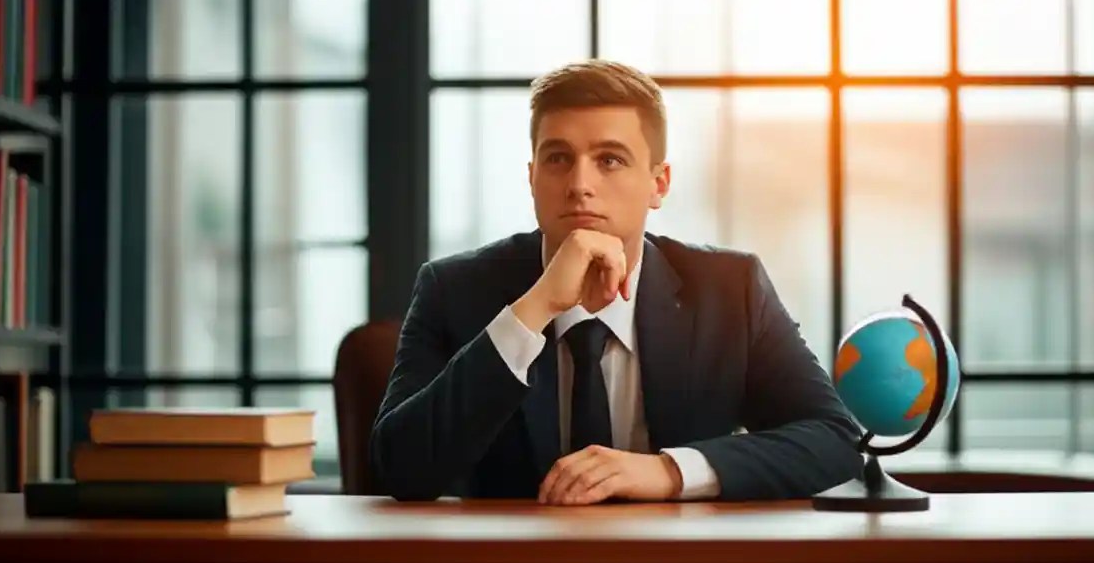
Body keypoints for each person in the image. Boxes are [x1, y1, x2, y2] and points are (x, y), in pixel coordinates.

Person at [370, 59, 863, 504]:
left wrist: (669, 471)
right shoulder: (453, 289)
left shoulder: (731, 290)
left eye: (609, 160)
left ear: (659, 184)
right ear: (532, 177)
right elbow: (400, 470)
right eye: (558, 158)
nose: (579, 184)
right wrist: (535, 309)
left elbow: (835, 440)